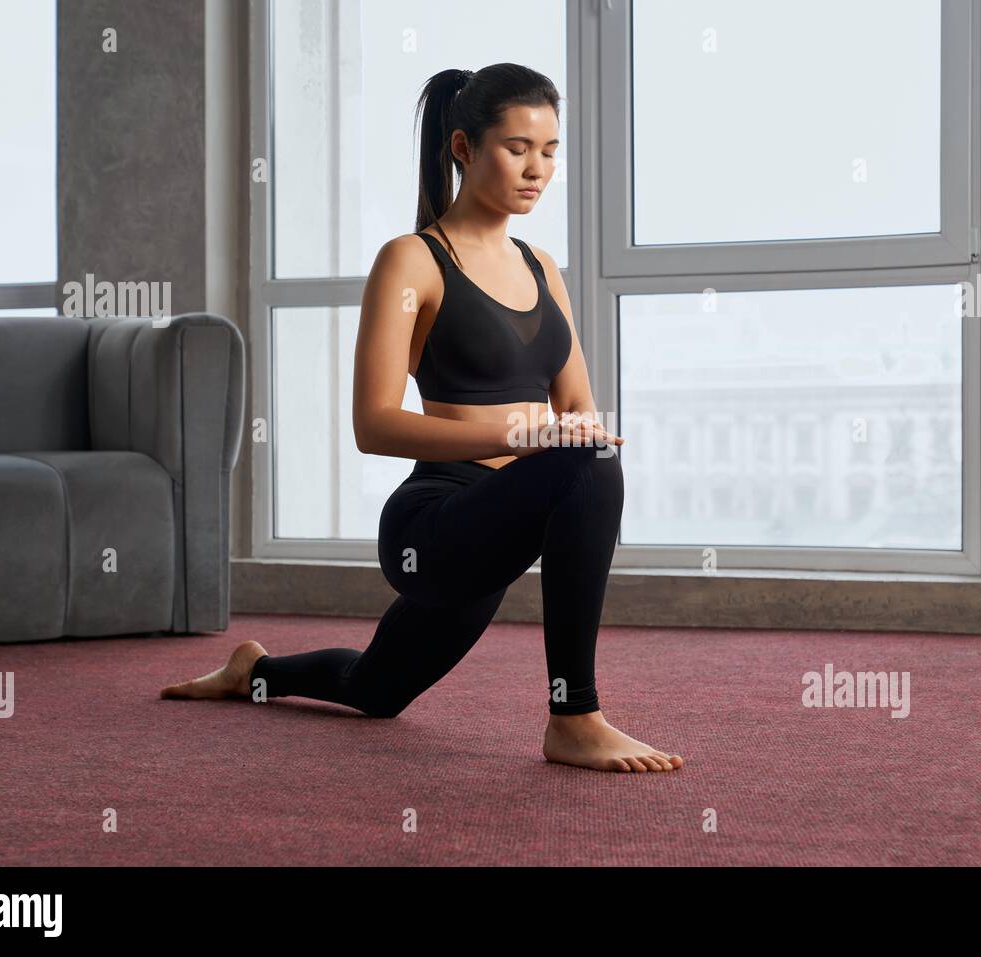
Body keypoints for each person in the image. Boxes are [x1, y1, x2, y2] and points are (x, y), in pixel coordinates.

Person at [161, 63, 683, 774]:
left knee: (376, 689)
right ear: (464, 148)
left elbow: (578, 413)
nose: (538, 169)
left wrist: (568, 434)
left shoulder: (543, 268)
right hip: (435, 525)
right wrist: (524, 435)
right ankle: (574, 716)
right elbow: (374, 424)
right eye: (518, 148)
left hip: (501, 523)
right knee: (588, 462)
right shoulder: (413, 261)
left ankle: (254, 669)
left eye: (551, 150)